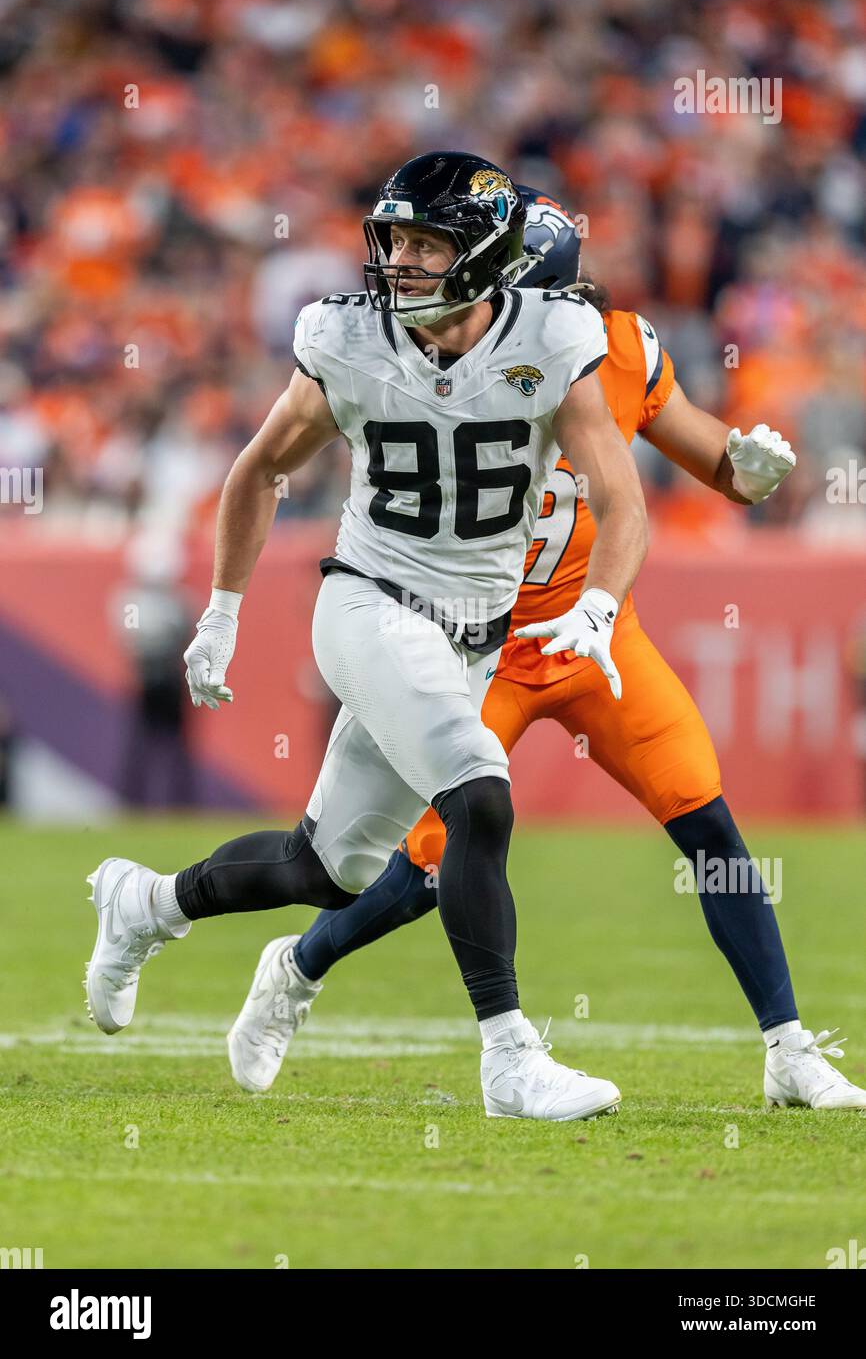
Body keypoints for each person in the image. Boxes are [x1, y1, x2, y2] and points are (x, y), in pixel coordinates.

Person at [227, 188, 866, 1114]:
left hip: (591, 631)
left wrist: (752, 470)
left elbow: (717, 466)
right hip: (476, 644)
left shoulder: (612, 347)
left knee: (708, 821)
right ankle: (297, 965)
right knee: (427, 865)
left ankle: (788, 1047)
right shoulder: (435, 353)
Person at [84, 152, 650, 1122]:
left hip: (468, 635)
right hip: (368, 603)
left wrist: (598, 602)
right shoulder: (346, 341)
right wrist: (221, 609)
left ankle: (145, 904)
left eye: (427, 243)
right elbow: (261, 469)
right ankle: (509, 1059)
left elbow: (617, 489)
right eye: (394, 239)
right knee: (477, 795)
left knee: (326, 866)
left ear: (483, 256)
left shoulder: (552, 338)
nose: (402, 261)